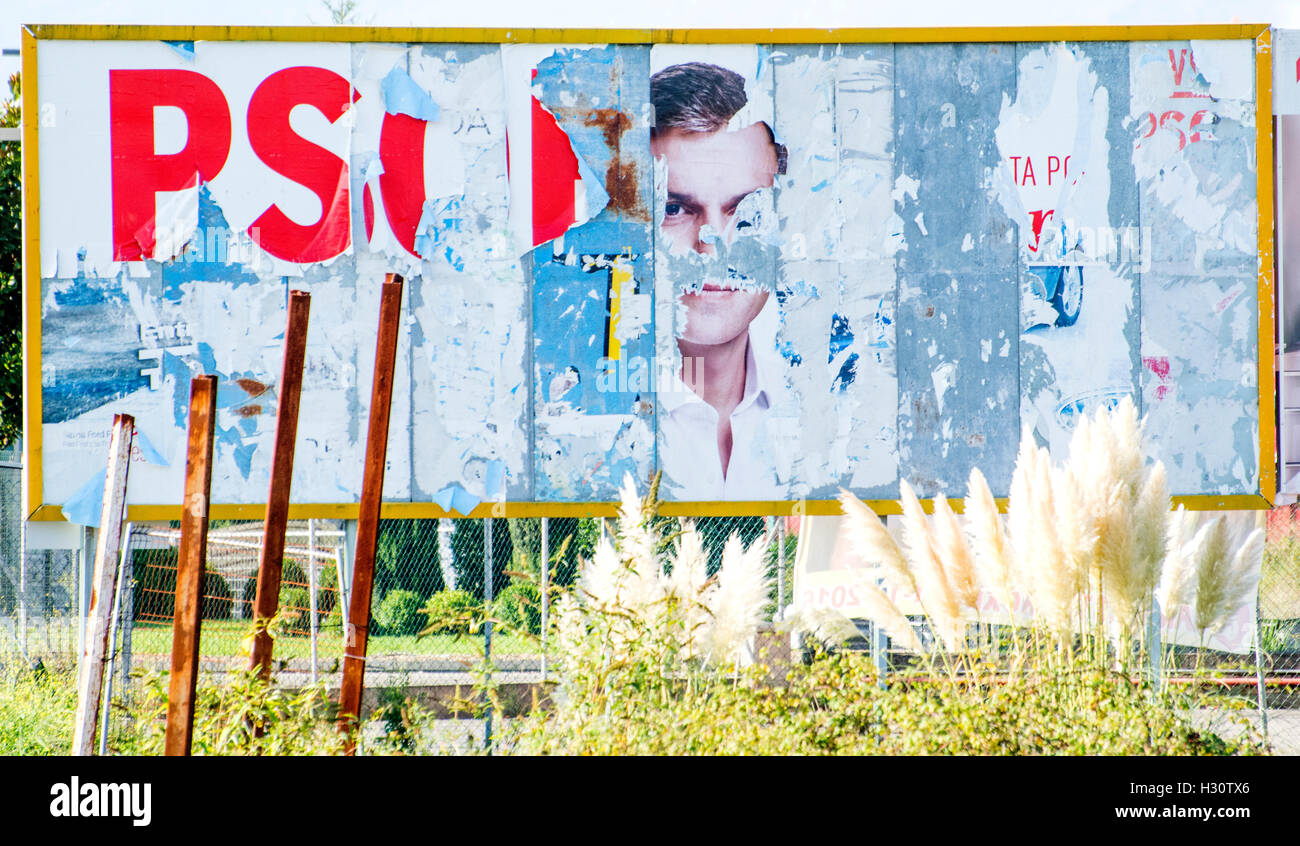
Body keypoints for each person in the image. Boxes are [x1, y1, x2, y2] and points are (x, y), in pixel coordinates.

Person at [651, 61, 787, 500]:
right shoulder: (581, 427)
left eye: (744, 210)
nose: (712, 247)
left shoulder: (836, 420)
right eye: (674, 209)